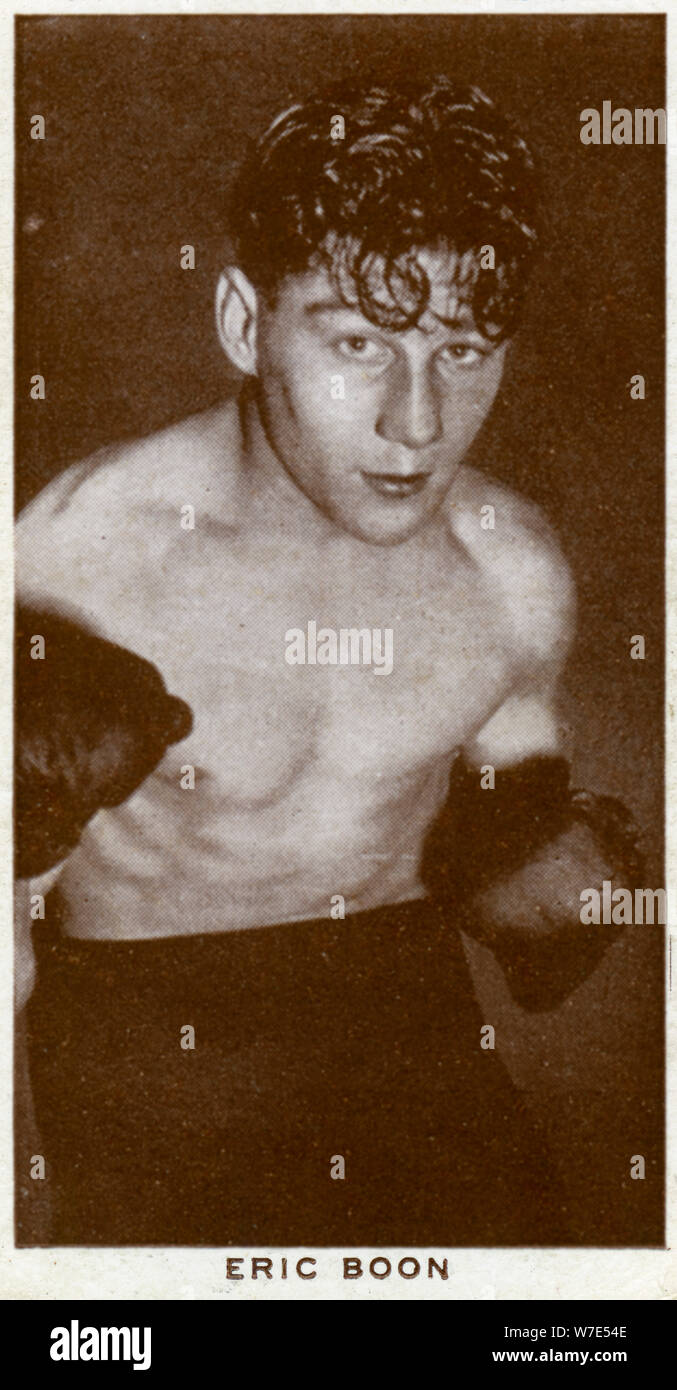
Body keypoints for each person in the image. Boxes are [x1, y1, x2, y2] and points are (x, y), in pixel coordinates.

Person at [16, 78, 643, 1245]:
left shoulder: (511, 572)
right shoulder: (72, 564)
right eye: (357, 341)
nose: (417, 421)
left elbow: (519, 831)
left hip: (409, 1023)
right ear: (246, 324)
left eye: (461, 348)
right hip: (154, 1062)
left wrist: (553, 863)